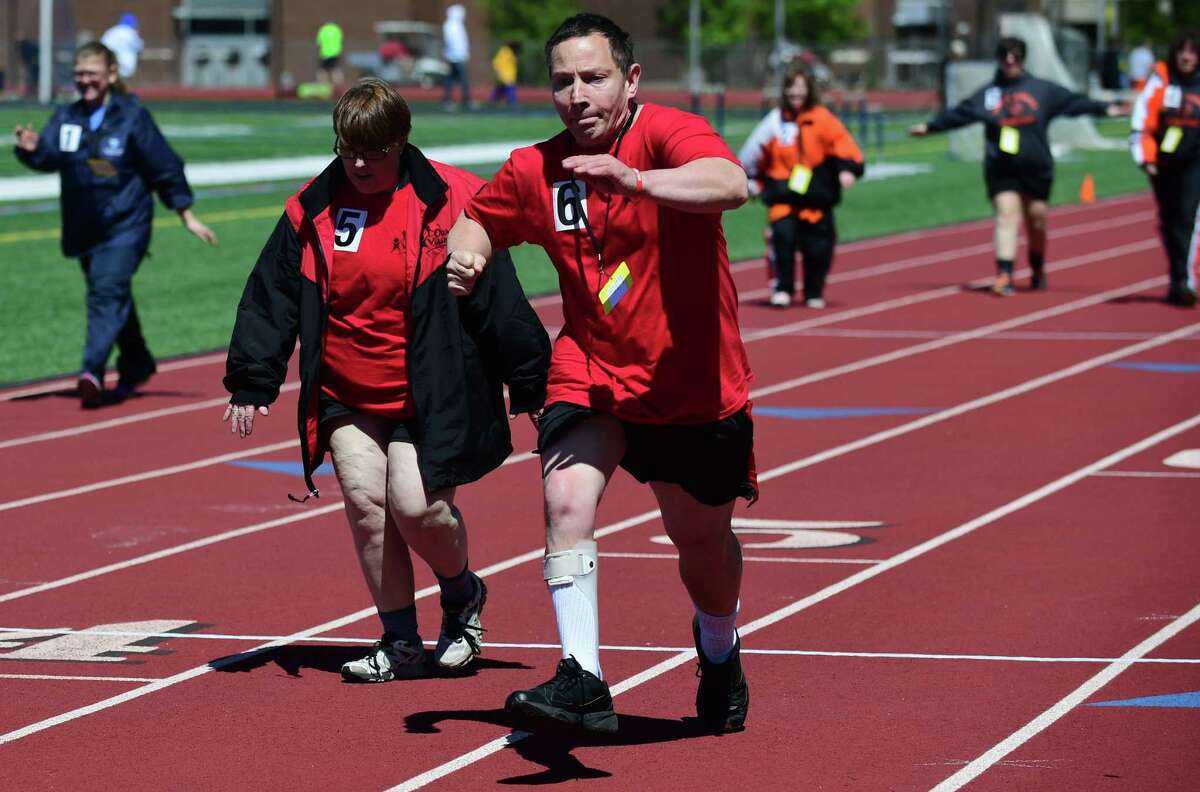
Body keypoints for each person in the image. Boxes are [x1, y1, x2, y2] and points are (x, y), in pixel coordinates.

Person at [446, 13, 755, 735]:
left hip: (688, 381)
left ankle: (719, 648)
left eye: (594, 78)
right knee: (565, 501)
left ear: (630, 79)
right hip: (589, 365)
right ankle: (582, 678)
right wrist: (470, 251)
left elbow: (731, 183)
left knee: (700, 542)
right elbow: (479, 217)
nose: (578, 95)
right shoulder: (537, 167)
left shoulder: (670, 133)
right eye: (563, 82)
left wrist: (636, 180)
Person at [221, 78, 551, 683]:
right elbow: (273, 295)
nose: (359, 164)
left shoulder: (453, 198)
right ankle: (399, 642)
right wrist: (251, 379)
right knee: (367, 503)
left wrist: (531, 382)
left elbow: (498, 300)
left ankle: (462, 595)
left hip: (432, 386)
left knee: (418, 509)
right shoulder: (311, 207)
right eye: (348, 150)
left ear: (401, 141)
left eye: (374, 151)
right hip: (348, 389)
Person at [12, 41, 216, 408]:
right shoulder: (67, 116)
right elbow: (51, 156)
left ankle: (91, 371)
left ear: (110, 74)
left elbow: (164, 166)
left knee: (106, 290)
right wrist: (32, 150)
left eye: (91, 73)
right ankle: (136, 362)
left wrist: (185, 213)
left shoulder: (132, 117)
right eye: (79, 74)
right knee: (113, 293)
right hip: (84, 227)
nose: (84, 80)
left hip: (126, 225)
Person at [909, 37, 1124, 296]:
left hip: (1036, 167)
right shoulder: (989, 94)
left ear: (1023, 59)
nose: (1010, 61)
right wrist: (930, 127)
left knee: (1037, 219)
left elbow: (1074, 102)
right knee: (1006, 215)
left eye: (1016, 56)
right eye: (1005, 56)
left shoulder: (1042, 90)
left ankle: (1037, 266)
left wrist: (1106, 108)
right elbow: (961, 113)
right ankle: (1005, 274)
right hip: (1001, 167)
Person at [740, 62, 864, 309]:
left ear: (809, 90)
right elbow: (749, 156)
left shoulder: (823, 120)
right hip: (783, 197)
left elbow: (846, 148)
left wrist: (848, 170)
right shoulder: (774, 122)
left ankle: (813, 291)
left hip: (817, 198)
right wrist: (751, 182)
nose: (795, 93)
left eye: (800, 87)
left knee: (819, 248)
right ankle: (782, 289)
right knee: (782, 242)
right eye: (791, 88)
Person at [1131, 32, 1200, 307]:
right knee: (1170, 222)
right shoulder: (1161, 79)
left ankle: (1186, 280)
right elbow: (1142, 119)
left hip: (1196, 161)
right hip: (1165, 163)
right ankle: (1177, 278)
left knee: (1188, 217)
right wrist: (1145, 158)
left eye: (1192, 51)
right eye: (1182, 51)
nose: (1186, 57)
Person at [442, 4, 471, 108]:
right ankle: (466, 99)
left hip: (458, 56)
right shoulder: (450, 26)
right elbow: (451, 42)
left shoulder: (457, 25)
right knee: (463, 79)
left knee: (451, 79)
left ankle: (448, 99)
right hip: (456, 57)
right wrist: (456, 54)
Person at [100, 14, 144, 80]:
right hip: (127, 66)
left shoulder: (111, 31)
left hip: (110, 63)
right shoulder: (131, 33)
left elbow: (101, 45)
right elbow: (139, 47)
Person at [316, 21, 345, 89]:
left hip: (325, 53)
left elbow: (318, 42)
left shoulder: (323, 29)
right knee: (335, 69)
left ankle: (323, 87)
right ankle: (339, 86)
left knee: (322, 71)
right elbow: (341, 40)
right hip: (336, 53)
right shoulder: (337, 29)